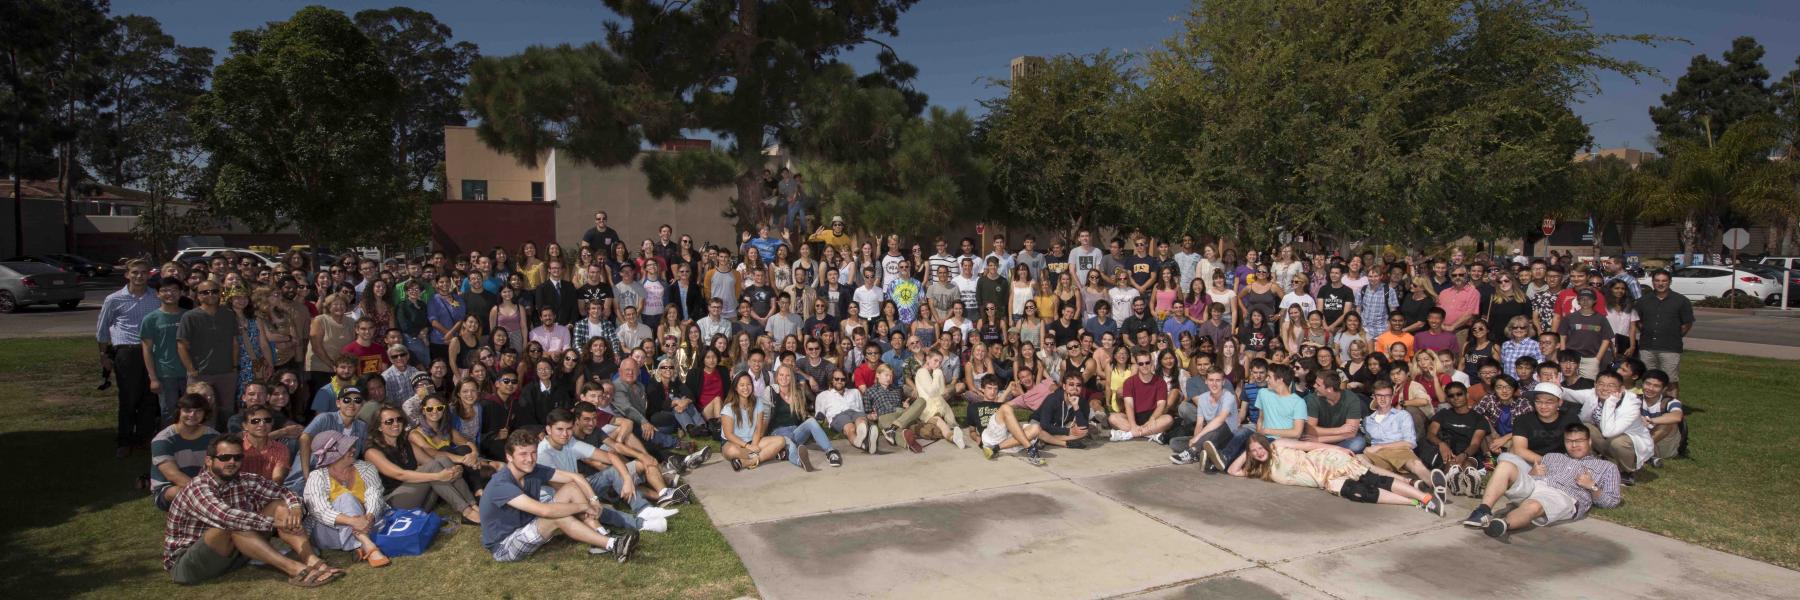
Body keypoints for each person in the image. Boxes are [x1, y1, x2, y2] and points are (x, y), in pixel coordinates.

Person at [163, 434, 341, 587]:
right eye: (225, 457)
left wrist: (294, 509)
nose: (232, 462)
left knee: (278, 505)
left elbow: (285, 492)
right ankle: (296, 570)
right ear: (209, 461)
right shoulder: (198, 488)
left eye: (237, 457)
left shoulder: (243, 479)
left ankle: (311, 560)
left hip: (231, 555)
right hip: (187, 565)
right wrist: (274, 523)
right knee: (233, 523)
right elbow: (225, 516)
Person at [480, 429, 639, 563]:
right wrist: (584, 506)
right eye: (522, 454)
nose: (529, 459)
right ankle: (613, 545)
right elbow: (544, 511)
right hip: (504, 545)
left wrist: (594, 500)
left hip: (528, 525)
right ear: (509, 456)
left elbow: (575, 478)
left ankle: (600, 535)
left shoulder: (533, 469)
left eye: (533, 453)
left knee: (571, 488)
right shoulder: (500, 484)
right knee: (557, 516)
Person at [1462, 423, 1621, 538]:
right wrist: (1532, 473)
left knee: (1534, 505)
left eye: (1579, 441)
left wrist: (1592, 486)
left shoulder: (1606, 467)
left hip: (1564, 496)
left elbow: (1612, 502)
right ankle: (1482, 511)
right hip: (1537, 485)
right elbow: (1532, 479)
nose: (1573, 445)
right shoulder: (1552, 457)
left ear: (1589, 442)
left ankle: (1502, 524)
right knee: (1504, 465)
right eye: (1569, 441)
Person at [1229, 435, 1445, 516]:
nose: (1259, 452)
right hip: (1327, 481)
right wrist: (1246, 451)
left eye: (1259, 447)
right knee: (1361, 493)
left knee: (1373, 480)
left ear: (1265, 444)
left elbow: (1307, 445)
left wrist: (1340, 449)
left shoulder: (1277, 445)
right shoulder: (1259, 470)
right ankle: (1416, 501)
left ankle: (1427, 497)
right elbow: (1233, 471)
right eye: (1254, 451)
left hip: (1325, 460)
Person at [363, 406, 483, 525]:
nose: (396, 423)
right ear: (379, 426)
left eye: (399, 419)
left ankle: (473, 505)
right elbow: (400, 474)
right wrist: (438, 476)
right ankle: (466, 512)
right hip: (394, 502)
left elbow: (431, 461)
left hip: (419, 498)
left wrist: (452, 469)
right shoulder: (372, 451)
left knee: (442, 460)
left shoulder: (405, 443)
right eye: (389, 421)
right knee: (434, 469)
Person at [301, 430, 390, 568]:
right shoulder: (316, 477)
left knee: (380, 519)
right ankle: (368, 545)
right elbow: (320, 511)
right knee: (346, 498)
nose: (353, 449)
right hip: (328, 532)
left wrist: (370, 517)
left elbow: (375, 495)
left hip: (368, 524)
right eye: (347, 448)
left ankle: (359, 545)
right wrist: (353, 521)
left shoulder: (366, 468)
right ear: (333, 457)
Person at [99, 259, 160, 458]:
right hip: (127, 351)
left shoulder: (155, 298)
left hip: (151, 351)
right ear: (127, 274)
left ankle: (143, 437)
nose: (139, 276)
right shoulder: (114, 299)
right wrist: (104, 356)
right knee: (128, 397)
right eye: (135, 272)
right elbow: (102, 331)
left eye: (143, 272)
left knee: (149, 396)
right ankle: (124, 440)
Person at [179, 280, 242, 430]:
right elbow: (182, 345)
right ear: (198, 296)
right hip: (201, 374)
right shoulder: (190, 316)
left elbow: (234, 342)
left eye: (214, 291)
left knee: (227, 410)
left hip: (226, 371)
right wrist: (191, 369)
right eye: (205, 292)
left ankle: (226, 443)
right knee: (201, 411)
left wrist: (234, 366)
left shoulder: (228, 314)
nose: (210, 294)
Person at [152, 394, 221, 510]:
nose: (192, 415)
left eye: (198, 411)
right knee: (177, 491)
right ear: (179, 412)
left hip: (206, 485)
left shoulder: (214, 436)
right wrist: (204, 494)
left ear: (205, 413)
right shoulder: (163, 439)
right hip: (171, 488)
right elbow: (173, 475)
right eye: (187, 410)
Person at [1169, 369, 1247, 471]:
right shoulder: (1202, 398)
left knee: (1222, 425)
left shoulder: (1229, 396)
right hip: (1209, 436)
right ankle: (1202, 451)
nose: (1214, 384)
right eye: (1211, 380)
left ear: (1223, 382)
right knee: (1174, 442)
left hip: (1228, 436)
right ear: (1206, 381)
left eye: (1218, 380)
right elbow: (1199, 424)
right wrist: (1195, 438)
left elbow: (1220, 419)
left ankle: (1193, 453)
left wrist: (1197, 440)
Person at [1635, 270, 1694, 398]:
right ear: (1652, 282)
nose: (1660, 284)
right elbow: (1638, 322)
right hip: (1647, 347)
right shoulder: (1643, 301)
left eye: (1664, 281)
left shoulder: (1681, 301)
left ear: (1670, 282)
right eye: (1657, 281)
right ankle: (1649, 408)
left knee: (1671, 381)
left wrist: (1675, 335)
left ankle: (1671, 409)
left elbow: (1687, 323)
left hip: (1670, 347)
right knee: (1647, 380)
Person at [142, 277, 191, 429]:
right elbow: (147, 350)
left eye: (174, 290)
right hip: (165, 374)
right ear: (157, 294)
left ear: (181, 292)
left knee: (192, 411)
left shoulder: (190, 316)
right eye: (164, 290)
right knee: (168, 412)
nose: (169, 293)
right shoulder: (151, 319)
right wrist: (153, 378)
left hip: (190, 373)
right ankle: (169, 446)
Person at [968, 375, 1047, 465]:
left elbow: (1023, 399)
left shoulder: (1000, 405)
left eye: (995, 389)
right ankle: (1030, 450)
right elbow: (972, 431)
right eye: (989, 388)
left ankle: (996, 449)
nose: (993, 392)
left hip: (1006, 440)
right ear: (982, 389)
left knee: (1036, 428)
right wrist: (977, 438)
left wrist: (1011, 388)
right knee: (1006, 407)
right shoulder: (973, 407)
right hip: (989, 436)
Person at [1108, 350, 1175, 442]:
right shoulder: (1129, 382)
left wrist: (1152, 419)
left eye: (1147, 363)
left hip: (1152, 415)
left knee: (1168, 419)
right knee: (1113, 418)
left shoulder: (1160, 382)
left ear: (1151, 363)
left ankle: (1129, 434)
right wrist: (1133, 425)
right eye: (1141, 363)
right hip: (1134, 416)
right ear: (1137, 365)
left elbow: (1161, 405)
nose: (1144, 366)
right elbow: (1129, 405)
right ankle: (1149, 434)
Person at [1556, 288, 1613, 381]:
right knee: (1567, 384)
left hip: (1590, 359)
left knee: (1589, 386)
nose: (1585, 302)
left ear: (1594, 301)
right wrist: (1564, 355)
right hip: (1571, 358)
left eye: (1589, 299)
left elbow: (1606, 339)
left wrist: (1597, 359)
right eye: (1582, 299)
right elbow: (1562, 336)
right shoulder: (1569, 317)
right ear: (1578, 301)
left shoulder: (1601, 319)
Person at [1304, 371, 1366, 452]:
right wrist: (1340, 430)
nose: (1314, 386)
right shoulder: (1312, 399)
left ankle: (1328, 451)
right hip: (1331, 437)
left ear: (1329, 389)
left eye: (1318, 385)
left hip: (1326, 439)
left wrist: (1319, 440)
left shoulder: (1352, 399)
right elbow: (1310, 430)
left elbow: (1351, 433)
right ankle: (1334, 451)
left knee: (1358, 443)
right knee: (1304, 439)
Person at [238, 405, 292, 483]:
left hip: (269, 492)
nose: (262, 424)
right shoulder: (236, 448)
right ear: (245, 425)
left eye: (267, 420)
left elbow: (277, 480)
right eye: (255, 421)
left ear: (272, 423)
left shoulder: (281, 449)